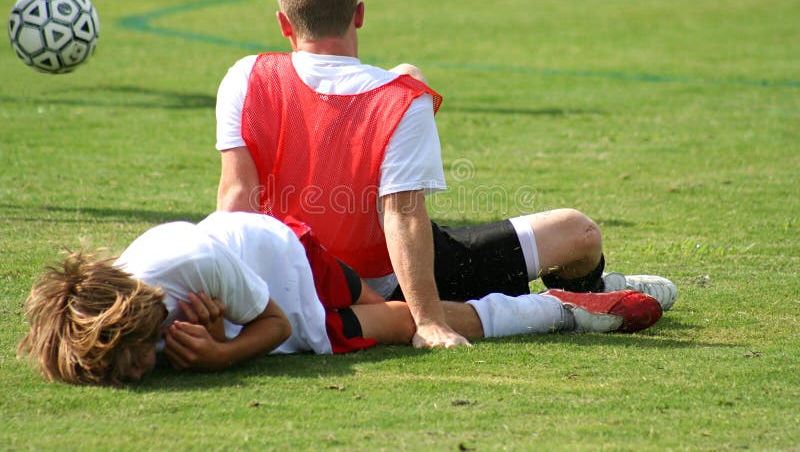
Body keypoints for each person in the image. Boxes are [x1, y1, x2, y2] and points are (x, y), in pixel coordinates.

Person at [215, 0, 676, 349]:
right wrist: (429, 319)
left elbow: (236, 198)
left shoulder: (245, 77)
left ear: (283, 24)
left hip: (292, 279)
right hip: (389, 278)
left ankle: (589, 297)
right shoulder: (400, 97)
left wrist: (230, 294)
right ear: (358, 14)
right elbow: (402, 214)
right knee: (580, 232)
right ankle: (586, 296)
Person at [17, 211, 662, 386]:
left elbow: (269, 322)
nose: (141, 370)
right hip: (270, 245)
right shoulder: (119, 312)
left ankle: (565, 310)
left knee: (413, 318)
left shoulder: (189, 260)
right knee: (406, 305)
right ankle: (580, 302)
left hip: (291, 276)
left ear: (134, 313)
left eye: (134, 360)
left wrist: (225, 354)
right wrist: (216, 335)